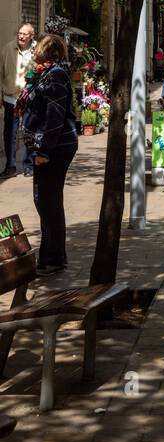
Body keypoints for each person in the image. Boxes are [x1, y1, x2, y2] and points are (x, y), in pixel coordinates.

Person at [19, 34, 78, 275]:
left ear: (47, 50)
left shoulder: (55, 75)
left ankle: (53, 258)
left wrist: (44, 150)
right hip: (44, 146)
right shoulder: (46, 73)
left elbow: (55, 115)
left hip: (55, 147)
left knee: (48, 200)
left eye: (38, 45)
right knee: (44, 199)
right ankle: (49, 257)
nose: (34, 49)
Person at [2, 23, 35, 177]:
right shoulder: (8, 48)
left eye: (25, 34)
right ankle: (10, 166)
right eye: (19, 33)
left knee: (29, 131)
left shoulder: (38, 50)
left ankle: (29, 165)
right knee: (10, 132)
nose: (21, 36)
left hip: (29, 97)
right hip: (10, 97)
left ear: (31, 36)